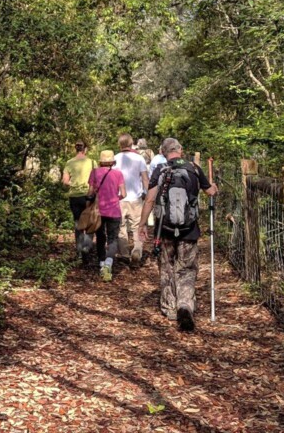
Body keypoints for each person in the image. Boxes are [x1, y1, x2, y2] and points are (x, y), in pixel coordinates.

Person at [138, 138, 217, 331]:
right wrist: (213, 187)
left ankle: (170, 307)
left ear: (164, 152)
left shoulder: (160, 170)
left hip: (164, 230)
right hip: (189, 230)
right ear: (180, 150)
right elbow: (209, 192)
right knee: (187, 269)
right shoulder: (194, 169)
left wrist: (142, 224)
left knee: (167, 267)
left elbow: (149, 200)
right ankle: (185, 304)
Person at [88, 150, 126, 281]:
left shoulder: (94, 172)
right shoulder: (118, 174)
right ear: (112, 161)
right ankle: (108, 264)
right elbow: (124, 194)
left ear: (100, 161)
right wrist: (116, 198)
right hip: (114, 210)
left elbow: (90, 192)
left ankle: (101, 264)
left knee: (100, 237)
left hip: (99, 211)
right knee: (112, 239)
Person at [116, 134, 150, 267]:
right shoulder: (139, 158)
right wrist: (148, 195)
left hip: (119, 198)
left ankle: (124, 254)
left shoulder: (115, 159)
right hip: (135, 198)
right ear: (131, 144)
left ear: (120, 145)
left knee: (121, 227)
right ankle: (136, 251)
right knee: (138, 226)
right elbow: (145, 178)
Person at [62, 141, 95, 267]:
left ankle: (79, 253)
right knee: (91, 224)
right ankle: (87, 248)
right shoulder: (92, 162)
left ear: (76, 149)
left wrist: (75, 184)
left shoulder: (69, 163)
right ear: (85, 149)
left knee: (78, 224)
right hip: (89, 196)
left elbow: (65, 182)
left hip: (75, 197)